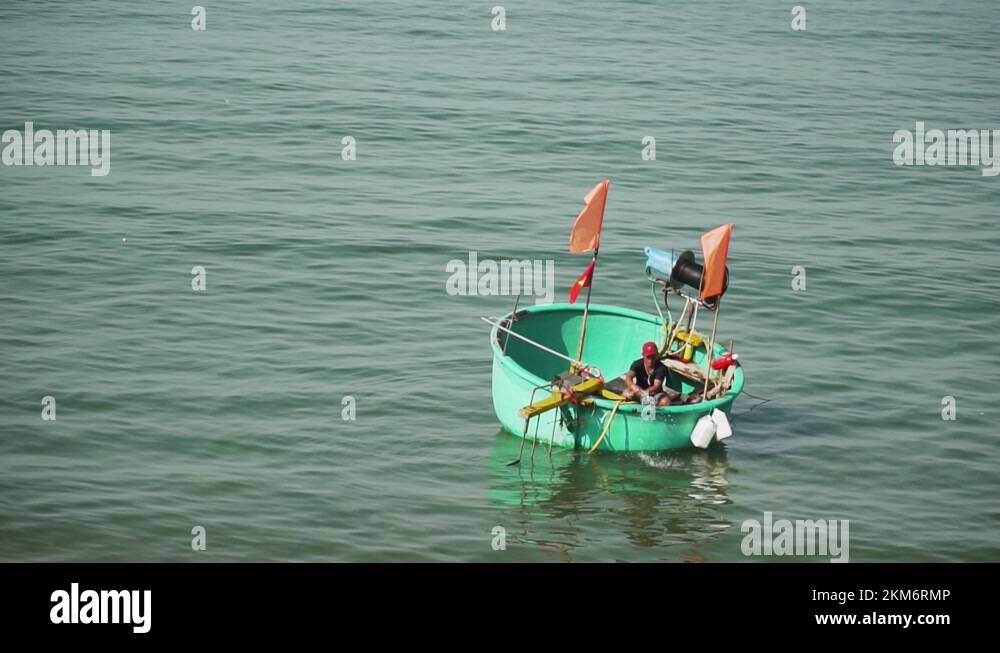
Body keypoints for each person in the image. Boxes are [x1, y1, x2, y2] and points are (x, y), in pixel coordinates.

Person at [621, 341, 676, 406]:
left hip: (655, 394)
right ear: (643, 355)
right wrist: (634, 387)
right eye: (648, 357)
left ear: (657, 355)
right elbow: (628, 377)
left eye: (653, 357)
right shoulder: (637, 364)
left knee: (665, 401)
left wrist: (644, 393)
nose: (650, 360)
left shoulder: (661, 368)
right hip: (639, 391)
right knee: (626, 393)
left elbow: (656, 387)